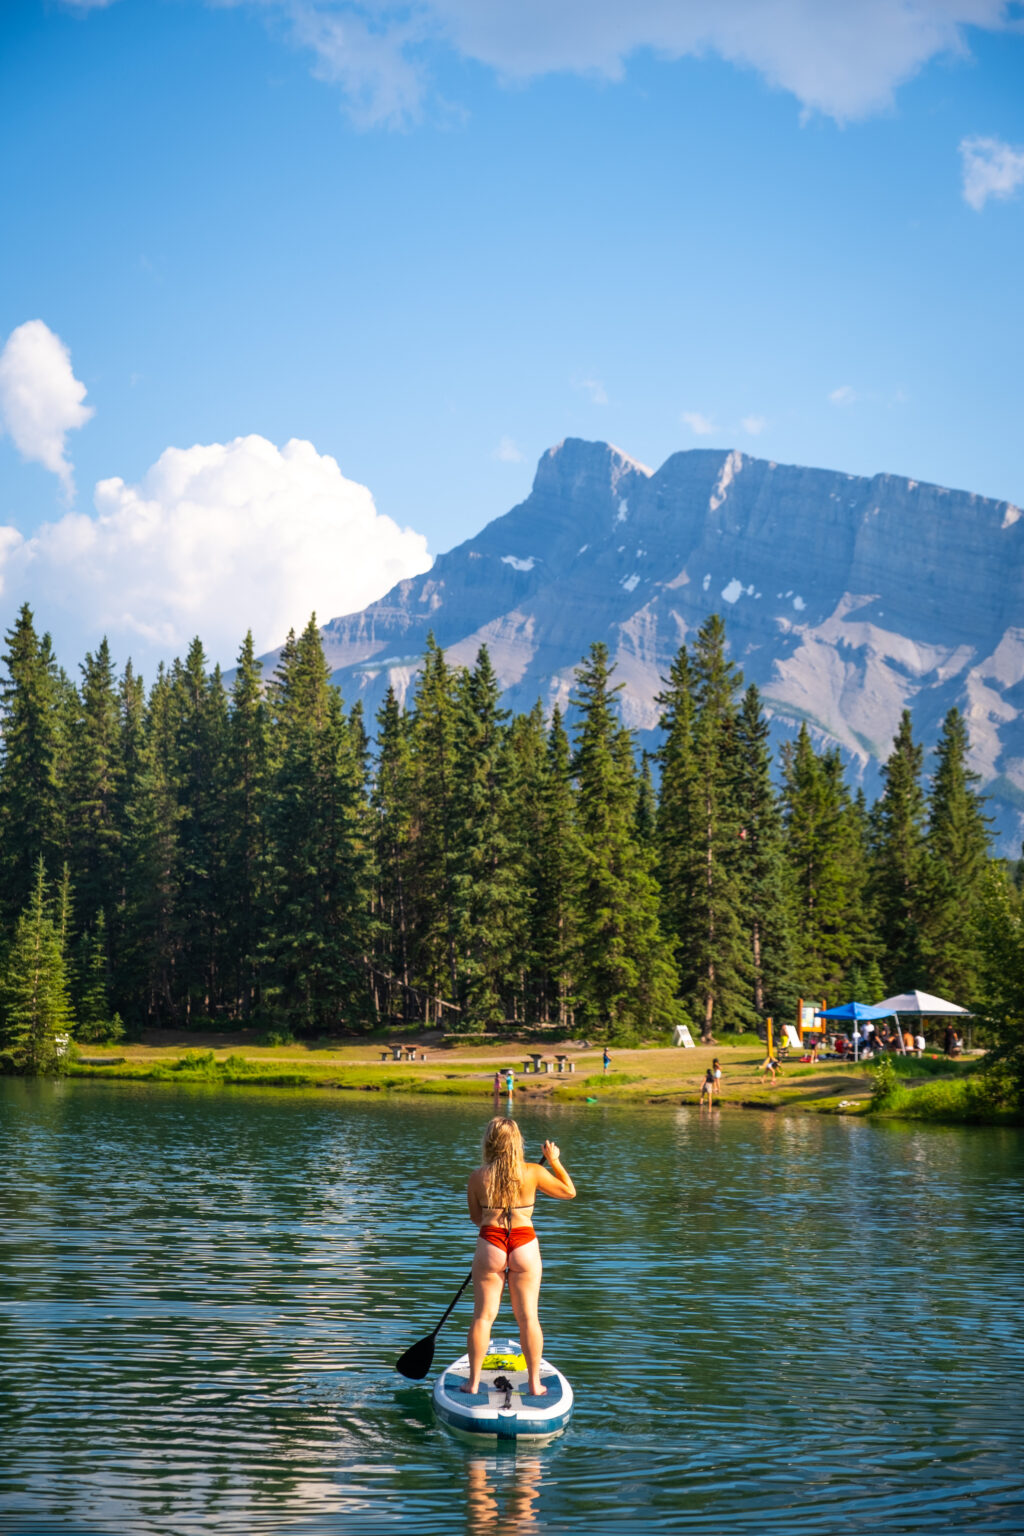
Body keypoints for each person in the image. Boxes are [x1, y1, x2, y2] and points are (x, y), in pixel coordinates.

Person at [463, 1117, 575, 1398]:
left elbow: (477, 1219)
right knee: (528, 1319)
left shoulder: (477, 1176)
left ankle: (473, 1383)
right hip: (524, 1244)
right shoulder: (534, 1171)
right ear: (517, 1143)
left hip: (491, 1242)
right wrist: (554, 1160)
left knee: (483, 1318)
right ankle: (535, 1384)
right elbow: (569, 1192)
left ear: (489, 1143)